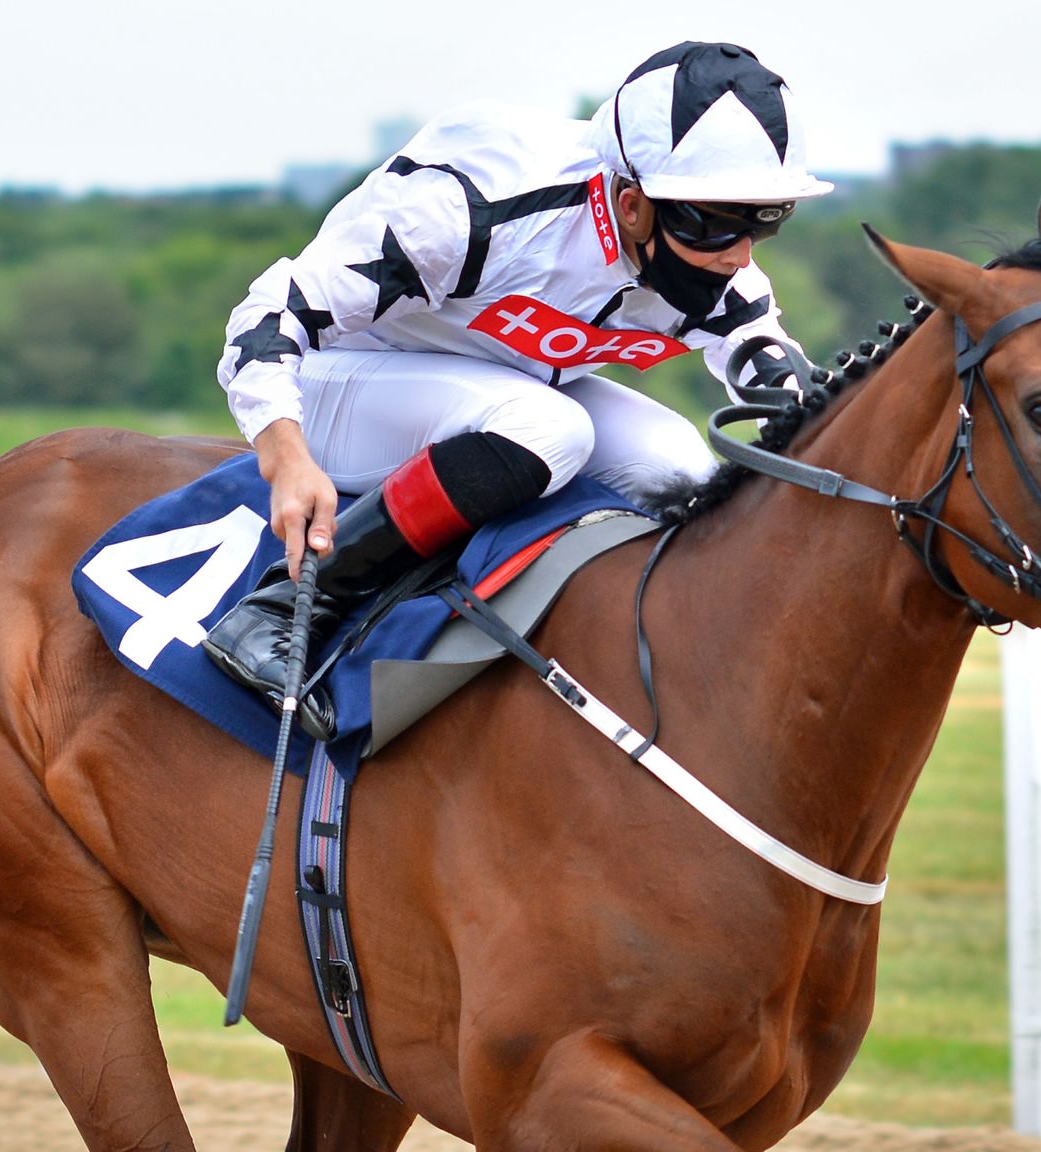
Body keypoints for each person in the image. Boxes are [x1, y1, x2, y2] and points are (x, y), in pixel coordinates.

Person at [205, 41, 833, 737]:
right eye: (713, 222)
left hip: (493, 389)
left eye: (765, 219)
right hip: (338, 380)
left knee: (681, 463)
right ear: (631, 203)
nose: (738, 252)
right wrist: (286, 458)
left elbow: (766, 361)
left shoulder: (710, 260)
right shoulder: (473, 209)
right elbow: (263, 318)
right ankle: (285, 607)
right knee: (552, 428)